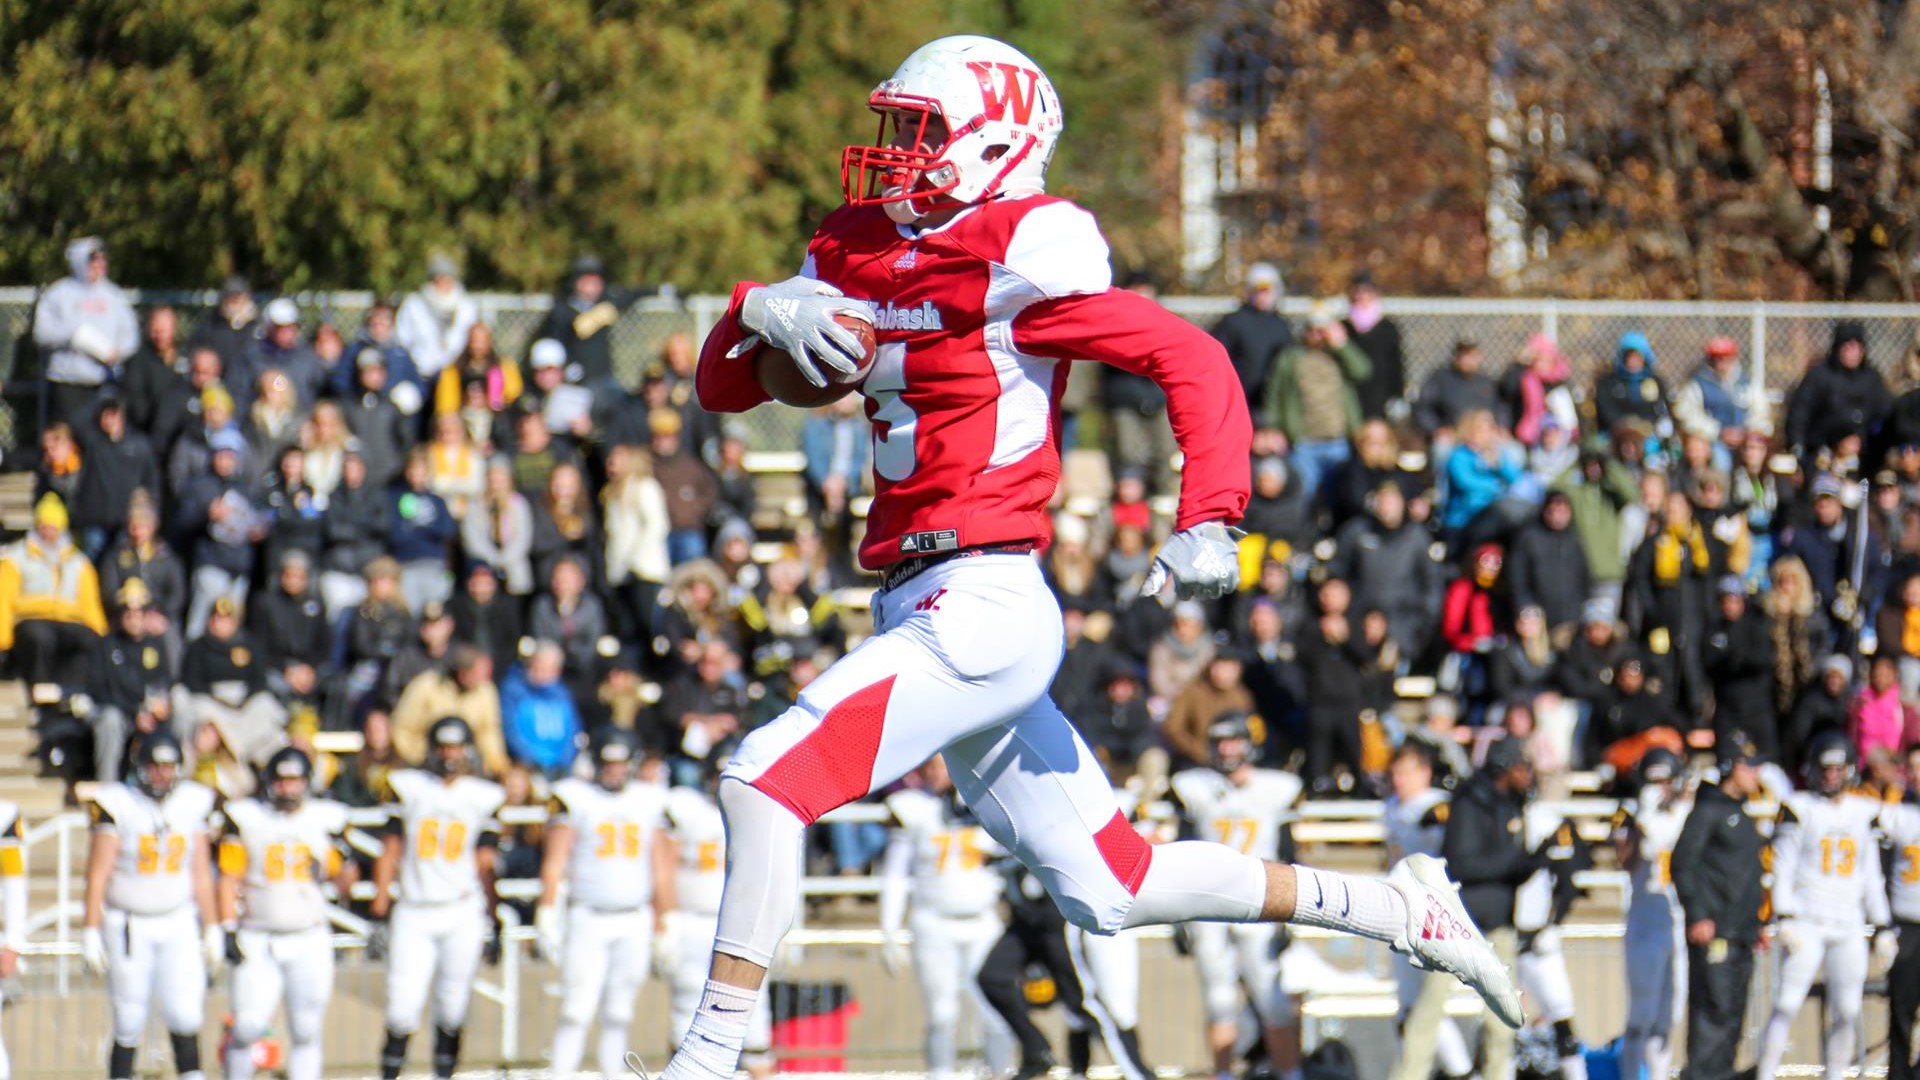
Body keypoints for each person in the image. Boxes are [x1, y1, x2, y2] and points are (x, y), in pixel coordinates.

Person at [671, 35, 1517, 1080]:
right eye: (896, 127)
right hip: (913, 596)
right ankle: (1397, 906)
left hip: (983, 598)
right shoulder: (858, 240)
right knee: (1112, 886)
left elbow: (1189, 353)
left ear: (995, 142)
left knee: (763, 778)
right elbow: (725, 389)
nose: (895, 150)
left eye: (922, 132)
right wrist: (754, 308)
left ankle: (707, 1060)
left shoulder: (1024, 242)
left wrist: (1210, 510)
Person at [1169, 715, 1304, 1080]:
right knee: (1218, 1000)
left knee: (1273, 1000)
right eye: (1220, 741)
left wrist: (1291, 912)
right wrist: (1178, 915)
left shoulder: (1276, 787)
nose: (1227, 749)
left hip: (1262, 900)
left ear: (1250, 743)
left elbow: (1292, 853)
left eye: (1234, 740)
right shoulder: (1194, 785)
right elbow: (1181, 852)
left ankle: (1291, 1073)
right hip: (1209, 905)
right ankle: (1224, 1074)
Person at [370, 716, 505, 1080]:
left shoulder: (482, 794)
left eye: (456, 746)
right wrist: (379, 909)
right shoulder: (408, 786)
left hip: (461, 909)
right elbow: (390, 850)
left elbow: (485, 863)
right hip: (415, 908)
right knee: (401, 1008)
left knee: (452, 1008)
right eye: (444, 745)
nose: (449, 754)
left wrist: (494, 919)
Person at [535, 729, 676, 1080]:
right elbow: (555, 860)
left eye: (620, 764)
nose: (614, 771)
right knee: (576, 1009)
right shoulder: (576, 796)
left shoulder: (649, 800)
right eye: (608, 764)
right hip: (588, 916)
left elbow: (661, 867)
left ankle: (614, 1075)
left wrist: (667, 920)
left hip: (634, 916)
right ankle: (560, 1074)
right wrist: (547, 909)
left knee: (619, 1012)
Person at [80, 732, 220, 1080]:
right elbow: (97, 874)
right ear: (140, 767)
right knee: (128, 1018)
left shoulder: (193, 800)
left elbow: (201, 873)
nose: (161, 775)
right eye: (154, 767)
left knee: (186, 1014)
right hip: (129, 922)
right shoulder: (118, 801)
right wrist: (91, 929)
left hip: (178, 920)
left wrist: (214, 926)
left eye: (168, 767)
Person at [1754, 729, 1889, 1080]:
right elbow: (1781, 866)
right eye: (1825, 768)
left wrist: (1884, 924)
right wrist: (1783, 915)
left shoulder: (1863, 811)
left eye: (1837, 768)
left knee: (1846, 1009)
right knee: (1786, 1004)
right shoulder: (1800, 807)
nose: (1831, 776)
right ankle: (1765, 1075)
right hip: (1807, 921)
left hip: (1848, 923)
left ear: (1849, 770)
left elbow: (1871, 875)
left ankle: (1835, 1075)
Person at [215, 747, 352, 1080]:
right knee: (247, 1026)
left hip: (308, 935)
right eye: (282, 781)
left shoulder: (325, 817)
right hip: (259, 935)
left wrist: (333, 865)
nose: (288, 789)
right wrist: (228, 928)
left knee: (307, 1030)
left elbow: (346, 880)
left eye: (295, 781)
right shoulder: (247, 815)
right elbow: (229, 877)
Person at [1400, 736, 1531, 1080]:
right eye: (1520, 765)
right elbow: (1461, 864)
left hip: (1498, 923)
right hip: (1455, 922)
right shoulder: (1469, 803)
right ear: (1505, 766)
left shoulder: (1510, 803)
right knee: (1429, 1011)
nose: (1526, 773)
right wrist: (1518, 863)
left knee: (1503, 1017)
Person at [880, 755, 1016, 1080]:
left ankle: (1000, 1074)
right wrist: (888, 928)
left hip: (983, 920)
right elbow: (895, 874)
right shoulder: (911, 807)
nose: (940, 773)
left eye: (945, 764)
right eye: (933, 766)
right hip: (934, 921)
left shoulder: (989, 806)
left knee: (995, 1012)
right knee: (942, 1013)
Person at [664, 749, 775, 1077]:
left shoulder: (758, 811)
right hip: (694, 921)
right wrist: (666, 921)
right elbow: (663, 865)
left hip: (746, 927)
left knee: (754, 1020)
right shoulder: (687, 808)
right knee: (686, 1013)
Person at [1669, 736, 1766, 1080]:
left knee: (1732, 1015)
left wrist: (1758, 924)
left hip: (1740, 932)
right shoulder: (1709, 810)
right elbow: (1682, 864)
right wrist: (1697, 914)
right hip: (1716, 933)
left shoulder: (1740, 812)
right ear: (1732, 768)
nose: (1757, 773)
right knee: (1714, 1012)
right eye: (1750, 766)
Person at [1382, 745, 1472, 1080]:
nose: (1398, 780)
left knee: (1425, 1009)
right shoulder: (1391, 807)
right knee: (1408, 1008)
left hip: (1434, 915)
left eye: (1405, 773)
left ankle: (1462, 1072)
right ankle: (1459, 1071)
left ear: (1425, 773)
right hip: (1401, 914)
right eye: (1395, 773)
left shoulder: (1438, 806)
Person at [1608, 747, 1691, 1080]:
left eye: (1666, 781)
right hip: (1645, 922)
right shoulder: (1631, 813)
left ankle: (1658, 1075)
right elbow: (1624, 861)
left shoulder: (1688, 811)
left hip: (1678, 920)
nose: (1661, 789)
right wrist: (1643, 819)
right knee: (1641, 1012)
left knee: (1669, 1015)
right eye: (1654, 781)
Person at [1259, 303, 1372, 499]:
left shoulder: (1338, 356)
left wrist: (1342, 345)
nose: (1317, 335)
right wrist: (1274, 428)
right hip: (1304, 442)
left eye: (1322, 331)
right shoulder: (1290, 358)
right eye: (1313, 330)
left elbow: (1363, 371)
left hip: (1337, 440)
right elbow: (1274, 396)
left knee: (1338, 496)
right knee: (1303, 495)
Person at [0, 492, 108, 687]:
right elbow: (3, 600)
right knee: (39, 638)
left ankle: (72, 690)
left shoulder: (79, 562)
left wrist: (100, 633)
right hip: (30, 619)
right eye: (44, 526)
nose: (48, 532)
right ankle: (39, 687)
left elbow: (89, 603)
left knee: (86, 640)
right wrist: (3, 640)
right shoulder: (15, 557)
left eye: (53, 527)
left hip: (68, 620)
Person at [34, 236, 139, 425]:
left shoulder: (114, 296)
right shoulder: (58, 293)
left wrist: (119, 352)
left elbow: (131, 334)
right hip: (68, 381)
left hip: (105, 381)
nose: (98, 265)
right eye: (92, 260)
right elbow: (41, 332)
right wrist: (73, 336)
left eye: (102, 259)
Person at [1210, 261, 1292, 410]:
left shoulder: (1282, 325)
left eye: (1267, 289)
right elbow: (1216, 361)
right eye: (1257, 289)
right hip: (1240, 404)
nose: (1263, 295)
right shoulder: (1233, 322)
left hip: (1273, 406)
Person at [395, 254, 480, 385]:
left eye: (446, 278)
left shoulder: (466, 306)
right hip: (420, 372)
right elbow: (402, 338)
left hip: (455, 373)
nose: (442, 282)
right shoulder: (414, 304)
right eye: (438, 278)